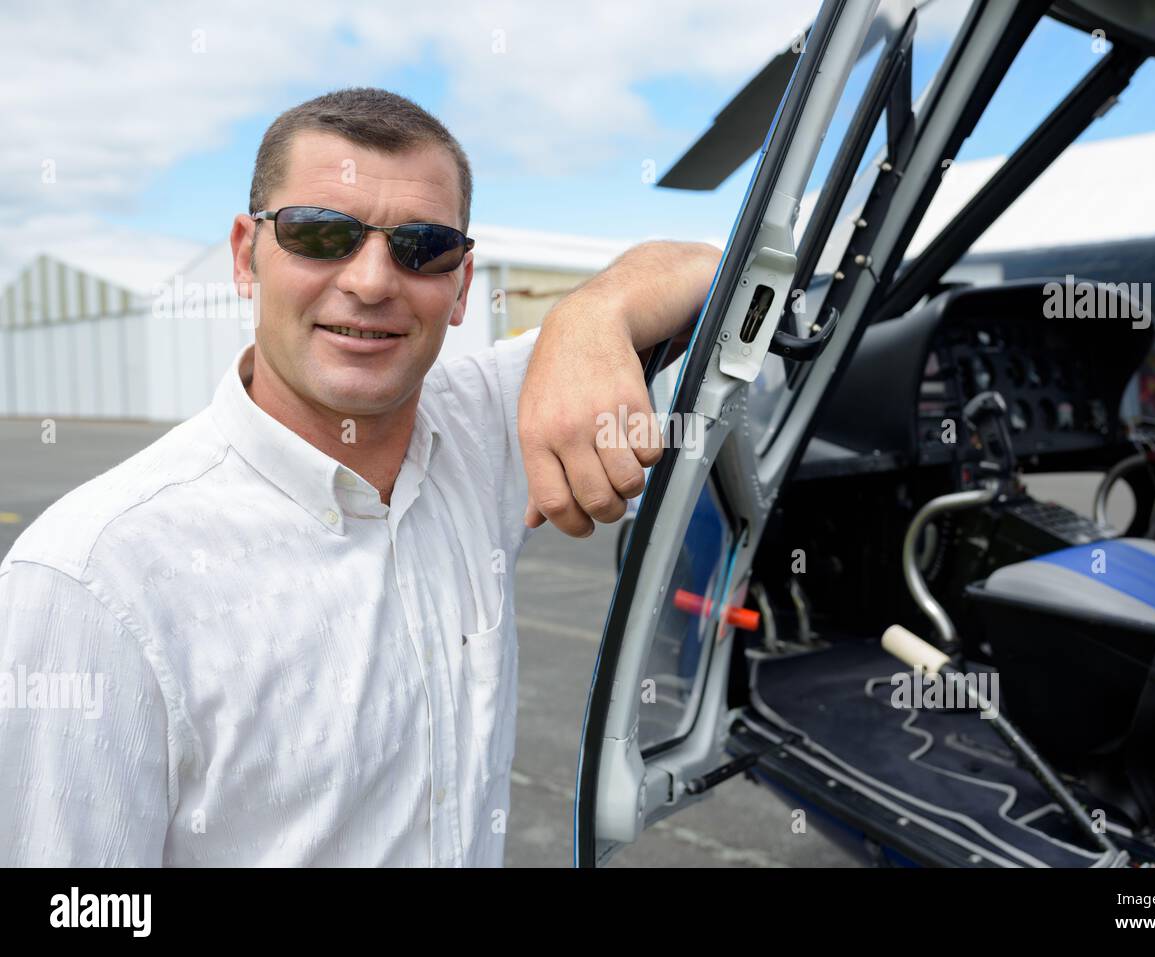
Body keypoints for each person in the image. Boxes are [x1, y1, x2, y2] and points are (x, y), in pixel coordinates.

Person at [0, 87, 720, 866]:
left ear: (461, 286)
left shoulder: (480, 422)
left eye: (423, 246)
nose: (373, 281)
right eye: (321, 234)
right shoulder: (89, 580)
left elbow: (713, 269)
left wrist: (593, 314)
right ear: (247, 256)